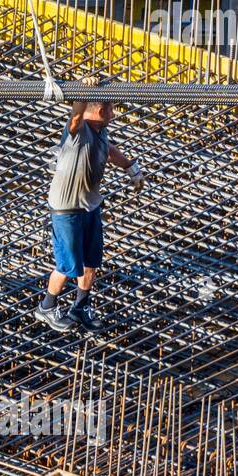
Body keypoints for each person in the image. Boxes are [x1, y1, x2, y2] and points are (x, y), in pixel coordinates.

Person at [34, 76, 144, 333]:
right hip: (67, 209)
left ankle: (80, 306)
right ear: (101, 109)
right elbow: (74, 118)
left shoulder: (99, 131)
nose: (114, 114)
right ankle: (46, 307)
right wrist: (83, 91)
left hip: (90, 206)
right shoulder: (79, 130)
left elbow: (109, 150)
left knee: (91, 260)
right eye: (111, 109)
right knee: (67, 264)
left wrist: (131, 168)